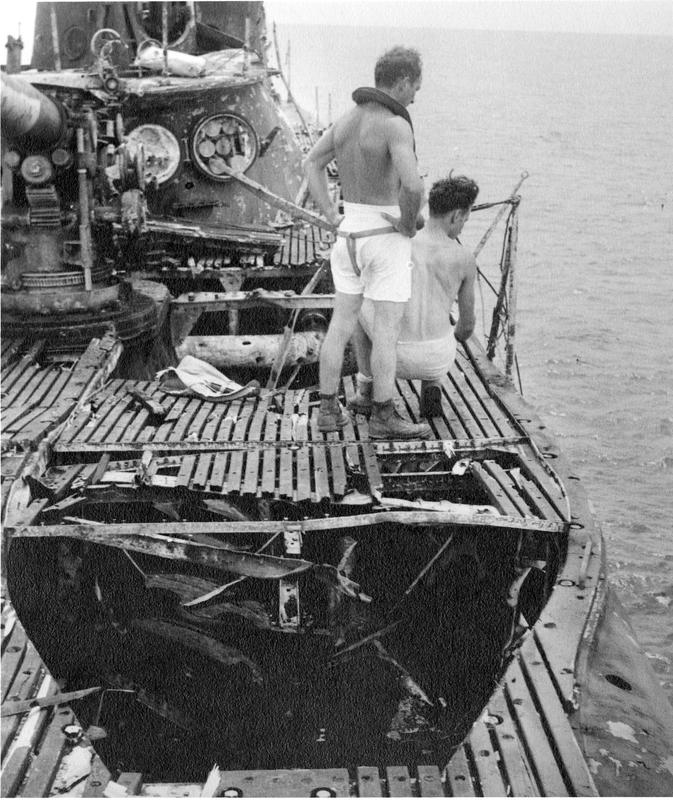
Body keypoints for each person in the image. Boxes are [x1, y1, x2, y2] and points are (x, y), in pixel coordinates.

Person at [303, 46, 431, 440]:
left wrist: (329, 212)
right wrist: (409, 224)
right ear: (404, 81)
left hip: (348, 235)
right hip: (383, 236)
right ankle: (383, 416)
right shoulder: (395, 125)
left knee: (340, 325)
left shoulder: (345, 122)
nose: (415, 97)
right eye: (415, 88)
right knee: (387, 332)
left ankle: (327, 411)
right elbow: (413, 185)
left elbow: (311, 163)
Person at [350, 174, 479, 418]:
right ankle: (432, 385)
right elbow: (466, 328)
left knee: (359, 306)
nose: (463, 226)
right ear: (455, 215)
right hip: (438, 358)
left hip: (392, 357)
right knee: (440, 322)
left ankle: (366, 391)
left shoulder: (400, 243)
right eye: (465, 219)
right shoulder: (465, 258)